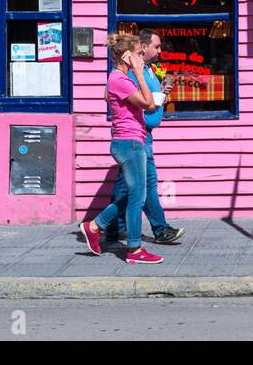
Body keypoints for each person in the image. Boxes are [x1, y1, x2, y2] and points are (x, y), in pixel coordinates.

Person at [78, 33, 163, 265]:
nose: (141, 58)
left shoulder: (117, 78)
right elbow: (148, 103)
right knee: (137, 197)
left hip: (131, 141)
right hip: (130, 142)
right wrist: (138, 73)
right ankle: (134, 249)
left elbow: (110, 96)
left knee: (135, 195)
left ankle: (94, 227)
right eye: (137, 54)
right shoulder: (121, 79)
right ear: (127, 56)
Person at [103, 28, 184, 244]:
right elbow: (144, 102)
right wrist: (139, 75)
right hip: (133, 137)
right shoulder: (125, 74)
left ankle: (111, 228)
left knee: (128, 186)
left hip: (139, 135)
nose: (158, 51)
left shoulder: (146, 70)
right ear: (140, 49)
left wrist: (161, 94)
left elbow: (147, 100)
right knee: (144, 186)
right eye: (155, 47)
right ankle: (156, 231)